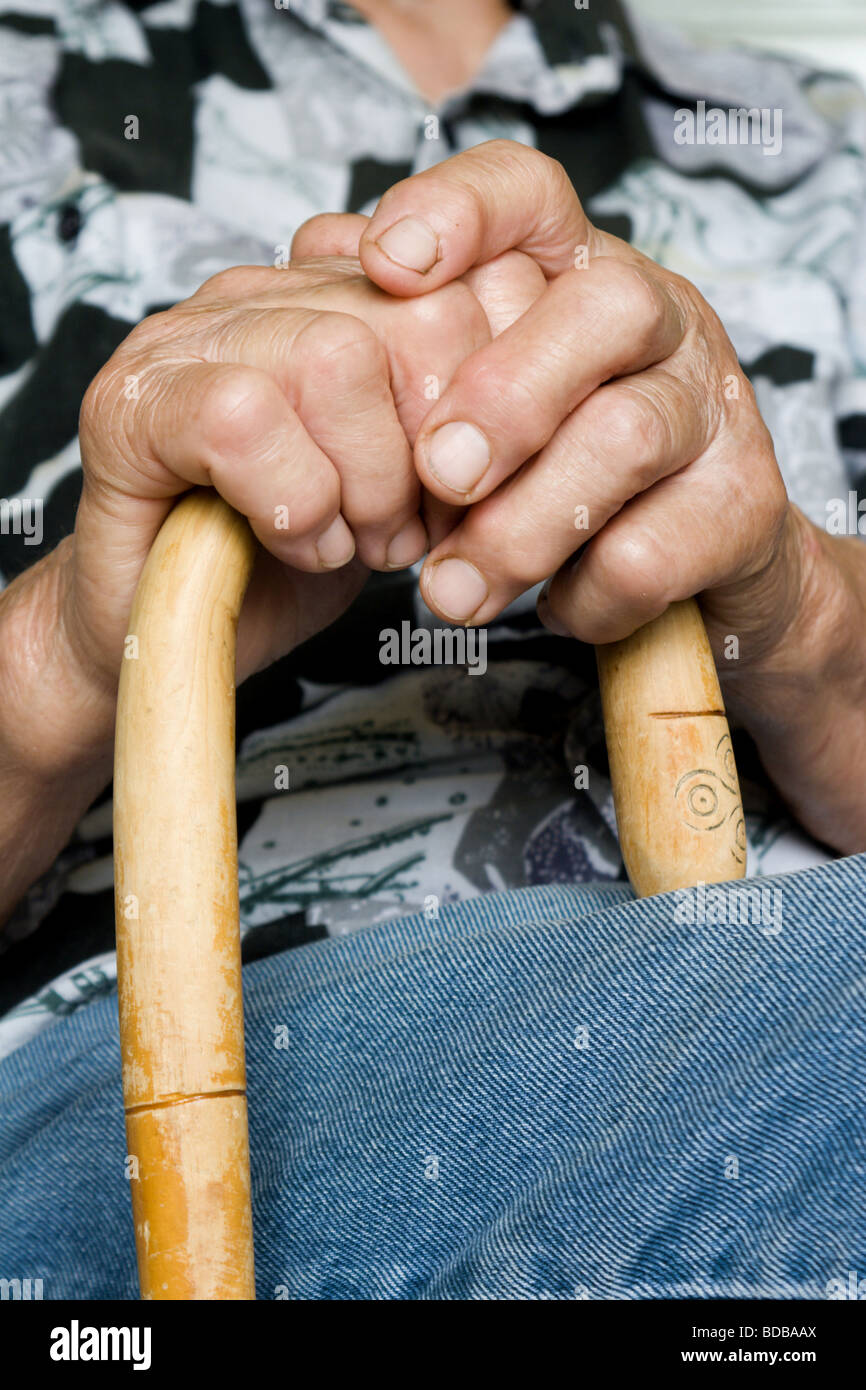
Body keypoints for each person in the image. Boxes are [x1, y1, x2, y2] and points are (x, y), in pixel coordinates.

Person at [0, 0, 864, 1298]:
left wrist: (800, 607)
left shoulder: (817, 159)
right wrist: (65, 654)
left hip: (782, 978)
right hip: (169, 1115)